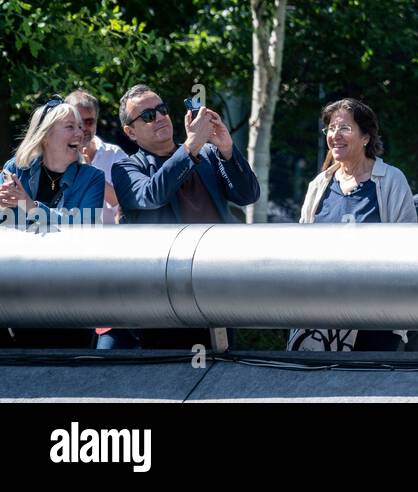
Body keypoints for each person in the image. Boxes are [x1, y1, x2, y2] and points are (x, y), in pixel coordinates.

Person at [106, 85, 260, 350]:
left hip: (215, 283)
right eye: (147, 116)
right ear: (130, 132)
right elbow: (151, 196)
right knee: (168, 375)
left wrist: (225, 147)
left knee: (221, 371)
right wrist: (190, 147)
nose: (160, 117)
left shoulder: (209, 154)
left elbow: (247, 195)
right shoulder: (127, 167)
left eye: (161, 110)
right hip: (164, 294)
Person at [292, 98, 417, 351]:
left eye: (345, 128)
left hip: (376, 316)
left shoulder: (391, 180)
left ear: (366, 137)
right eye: (330, 129)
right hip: (321, 315)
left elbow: (408, 248)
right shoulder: (318, 185)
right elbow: (302, 249)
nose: (335, 135)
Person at [1, 99, 105, 348]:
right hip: (19, 289)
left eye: (81, 127)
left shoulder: (93, 178)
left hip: (71, 293)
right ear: (45, 135)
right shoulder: (15, 169)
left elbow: (82, 229)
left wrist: (30, 206)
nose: (80, 133)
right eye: (71, 126)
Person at [65, 89, 127, 226]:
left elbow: (125, 202)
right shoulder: (54, 156)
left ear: (96, 122)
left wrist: (90, 173)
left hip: (106, 242)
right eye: (78, 122)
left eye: (89, 122)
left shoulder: (115, 155)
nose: (83, 128)